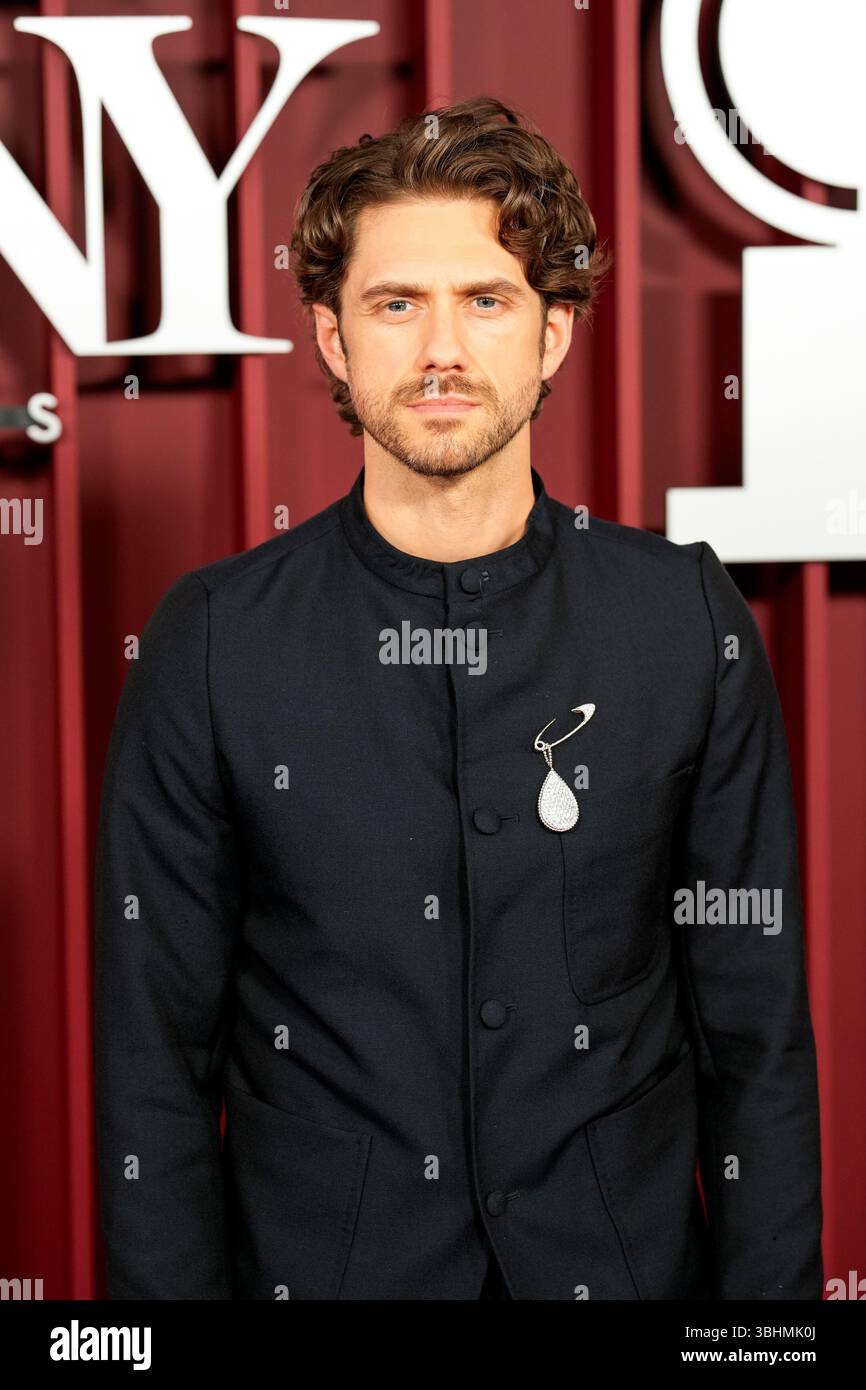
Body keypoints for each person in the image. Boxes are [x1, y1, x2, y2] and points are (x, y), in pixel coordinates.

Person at [93, 96, 823, 1300]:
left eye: (485, 301)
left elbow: (754, 1042)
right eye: (396, 304)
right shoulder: (212, 642)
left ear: (552, 336)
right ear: (331, 338)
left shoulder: (684, 622)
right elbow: (153, 1063)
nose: (441, 349)